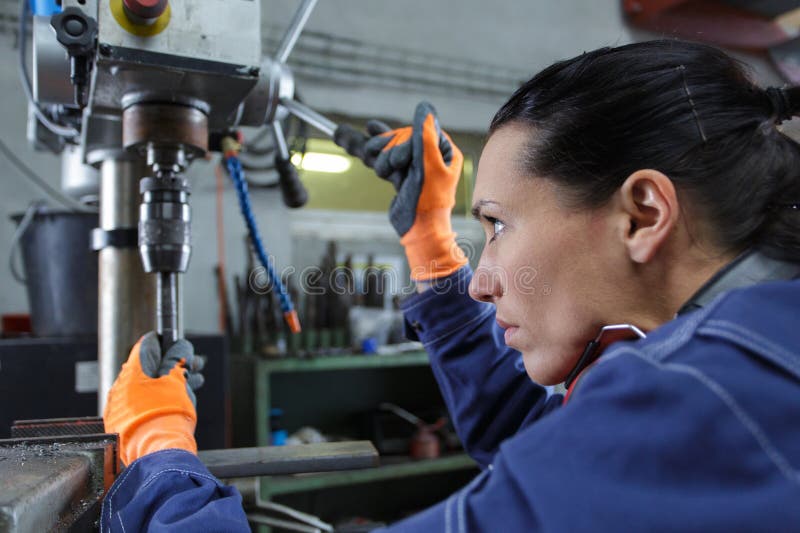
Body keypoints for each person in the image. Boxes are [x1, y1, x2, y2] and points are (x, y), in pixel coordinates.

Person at [101, 39, 800, 531]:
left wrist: (161, 456)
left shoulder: (704, 398)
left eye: (497, 223)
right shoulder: (752, 345)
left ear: (642, 213)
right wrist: (432, 245)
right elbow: (528, 433)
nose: (482, 282)